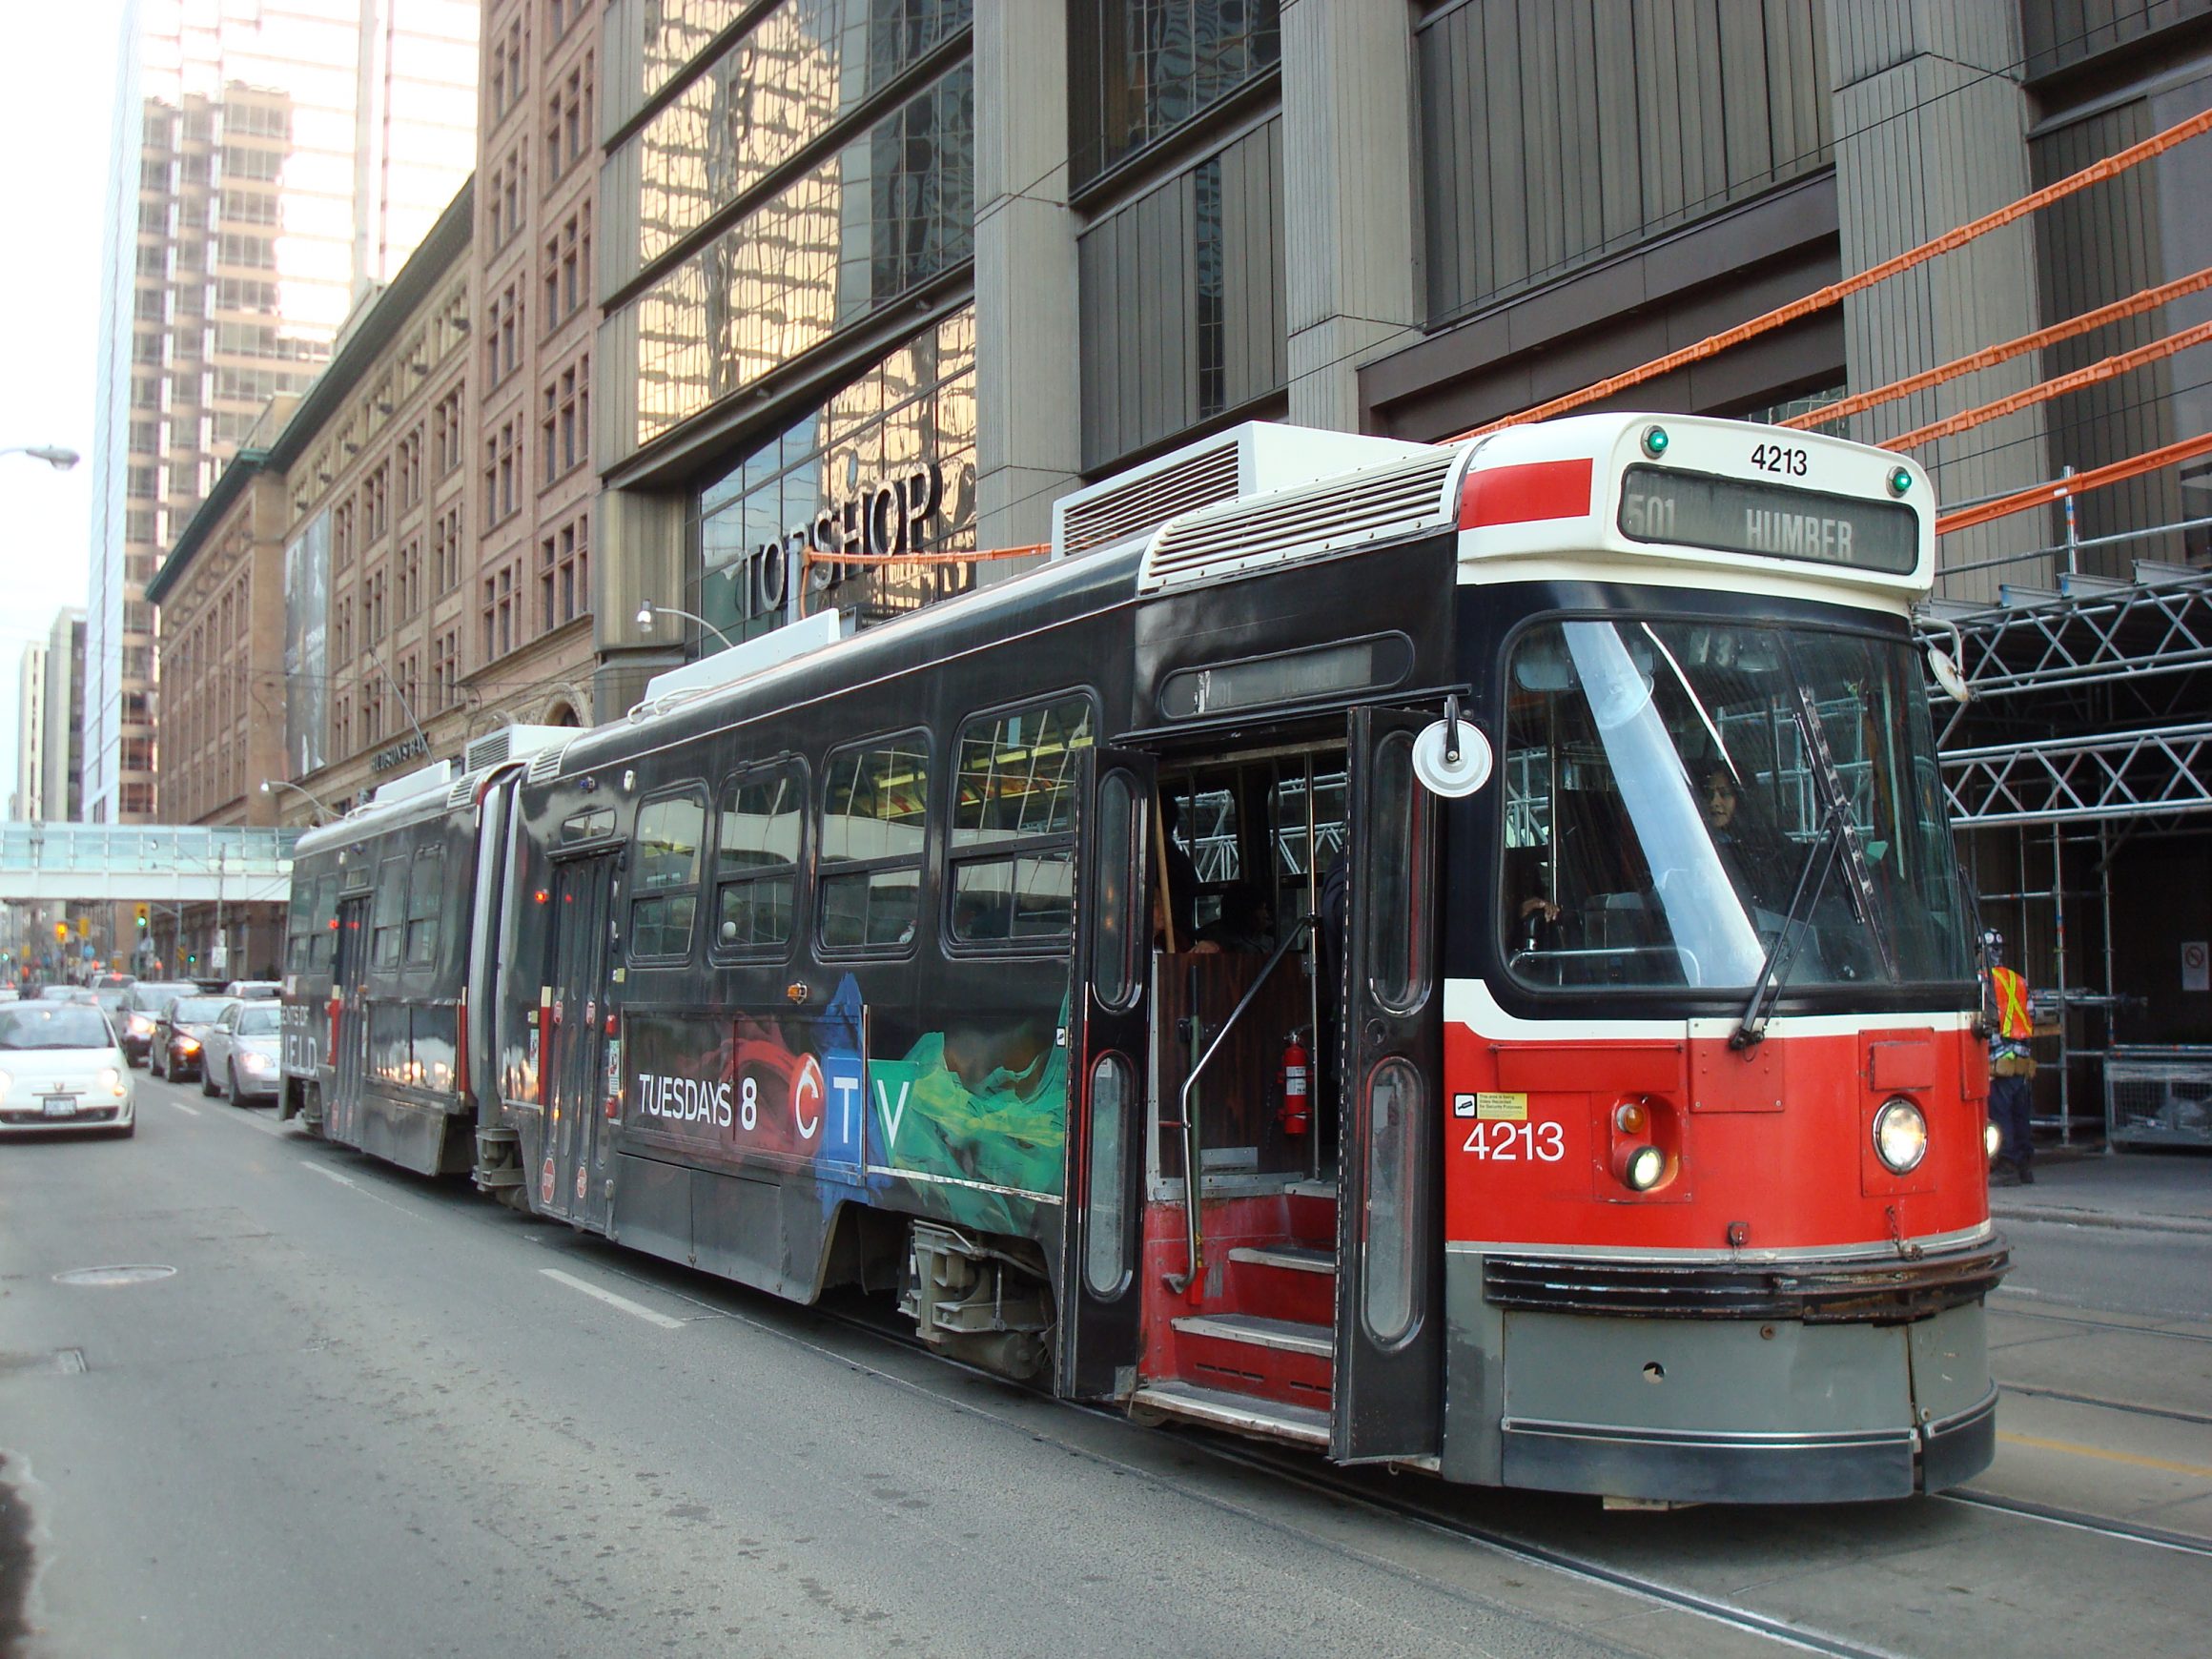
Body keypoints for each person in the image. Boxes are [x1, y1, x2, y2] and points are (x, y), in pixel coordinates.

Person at [1982, 929, 2036, 1183]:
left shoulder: (1983, 980)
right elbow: (2031, 1014)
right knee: (2019, 1112)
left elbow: (1983, 1019)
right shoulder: (2018, 979)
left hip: (2000, 1057)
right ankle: (2025, 1163)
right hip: (2021, 1056)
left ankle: (2007, 1162)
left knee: (2000, 1113)